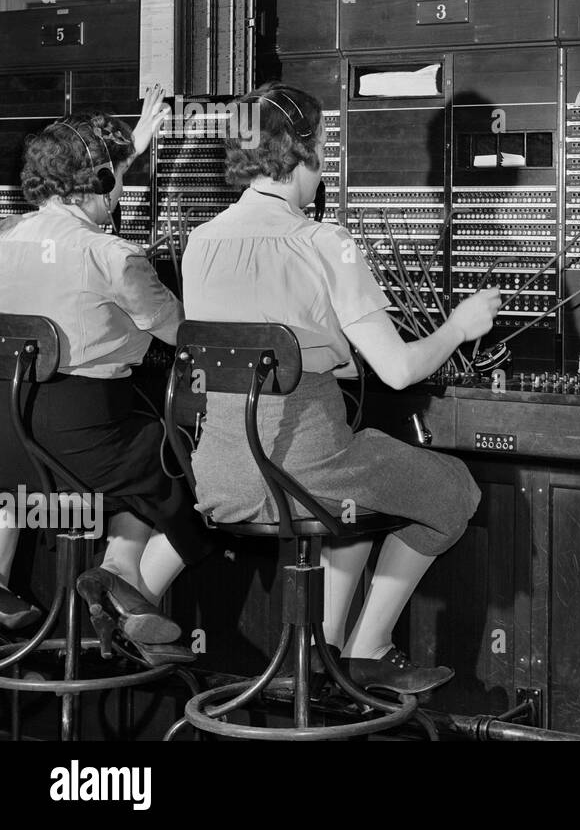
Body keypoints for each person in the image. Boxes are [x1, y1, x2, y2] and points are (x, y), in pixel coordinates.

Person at [181, 83, 500, 696]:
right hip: (305, 473)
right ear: (305, 147)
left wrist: (325, 350)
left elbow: (253, 348)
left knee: (361, 485)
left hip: (220, 475)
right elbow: (401, 372)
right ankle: (369, 647)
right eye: (323, 139)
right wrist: (459, 326)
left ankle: (321, 655)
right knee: (451, 489)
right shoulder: (325, 242)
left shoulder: (200, 243)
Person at [0, 88, 209, 662]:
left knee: (133, 457)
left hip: (9, 449)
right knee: (183, 468)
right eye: (116, 179)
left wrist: (126, 153)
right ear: (97, 178)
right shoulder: (112, 255)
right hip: (83, 447)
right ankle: (126, 582)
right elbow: (183, 334)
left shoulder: (4, 238)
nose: (120, 192)